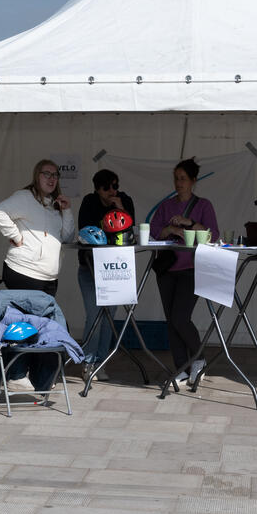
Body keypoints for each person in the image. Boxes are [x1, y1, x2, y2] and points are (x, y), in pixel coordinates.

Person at [149, 157, 219, 386]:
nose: (178, 183)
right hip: (167, 269)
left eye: (183, 179)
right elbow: (154, 231)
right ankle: (181, 366)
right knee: (171, 320)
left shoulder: (204, 205)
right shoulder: (166, 206)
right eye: (176, 179)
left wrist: (189, 223)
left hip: (192, 268)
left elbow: (212, 236)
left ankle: (198, 359)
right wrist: (170, 228)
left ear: (193, 181)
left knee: (181, 317)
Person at [77, 169, 135, 381]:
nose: (112, 191)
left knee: (109, 317)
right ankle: (88, 362)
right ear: (96, 188)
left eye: (115, 186)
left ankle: (102, 361)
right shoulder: (89, 202)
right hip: (90, 268)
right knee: (94, 315)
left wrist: (120, 208)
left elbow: (130, 231)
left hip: (115, 269)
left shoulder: (124, 200)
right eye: (107, 187)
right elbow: (85, 232)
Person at [0, 159, 76, 295]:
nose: (51, 178)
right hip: (24, 271)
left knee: (44, 316)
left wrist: (66, 211)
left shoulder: (54, 204)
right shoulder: (25, 197)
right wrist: (15, 236)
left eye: (55, 175)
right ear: (37, 176)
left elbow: (67, 237)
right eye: (47, 174)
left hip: (49, 277)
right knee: (29, 316)